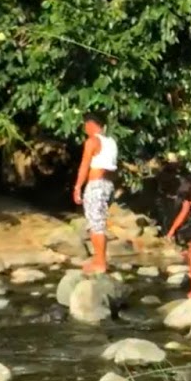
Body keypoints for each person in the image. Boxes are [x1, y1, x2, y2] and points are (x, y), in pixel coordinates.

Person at [73, 113, 118, 275]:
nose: (85, 129)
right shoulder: (112, 142)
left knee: (95, 224)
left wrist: (78, 186)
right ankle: (99, 260)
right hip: (108, 186)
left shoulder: (92, 141)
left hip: (96, 185)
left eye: (85, 125)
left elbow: (85, 165)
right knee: (99, 222)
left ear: (91, 124)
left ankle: (100, 263)